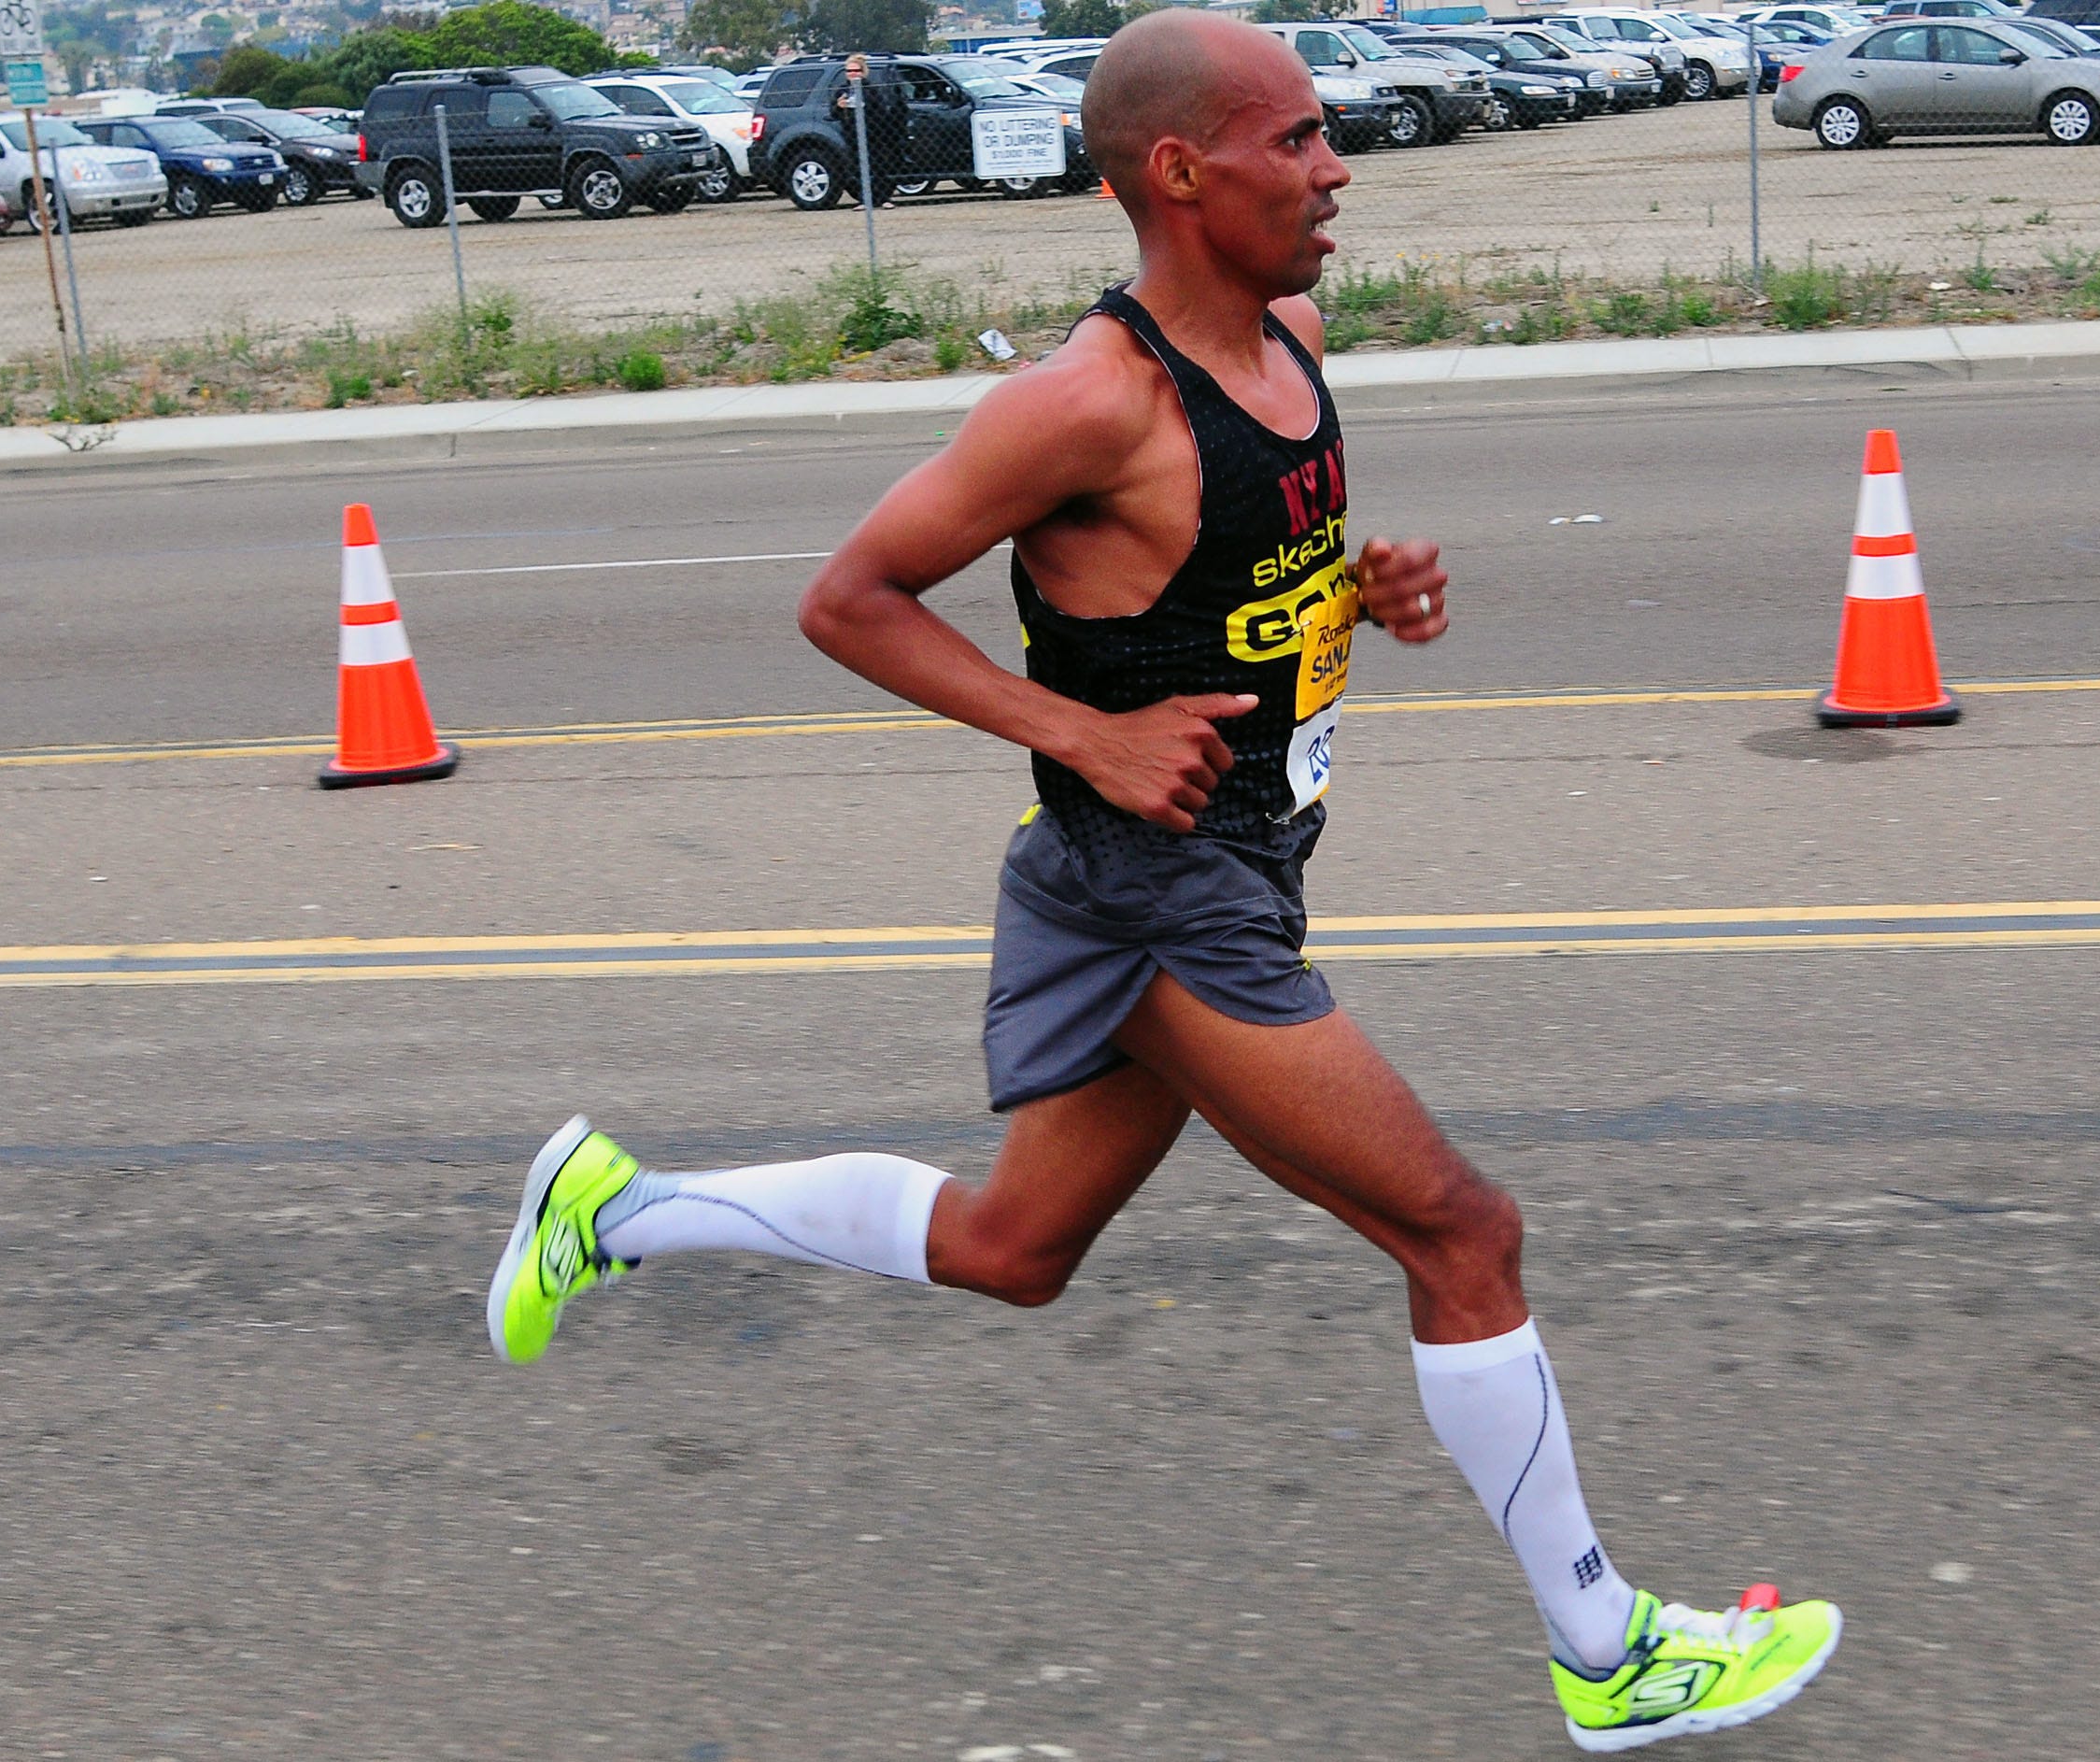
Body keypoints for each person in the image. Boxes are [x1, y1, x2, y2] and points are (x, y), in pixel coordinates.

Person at [484, 11, 1839, 1751]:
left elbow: (1217, 585)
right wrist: (1083, 731)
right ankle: (1611, 1650)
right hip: (1156, 891)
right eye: (1297, 139)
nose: (1337, 168)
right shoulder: (1084, 404)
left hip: (1233, 865)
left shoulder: (1290, 336)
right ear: (1184, 172)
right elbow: (848, 600)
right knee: (1463, 1232)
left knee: (1014, 1247)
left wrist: (1359, 595)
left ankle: (614, 1209)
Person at [831, 51, 911, 206]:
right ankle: (864, 200)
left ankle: (883, 199)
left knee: (879, 167)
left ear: (863, 72)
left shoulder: (871, 89)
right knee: (858, 169)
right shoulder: (842, 91)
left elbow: (881, 112)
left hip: (873, 135)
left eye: (856, 70)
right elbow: (833, 114)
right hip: (852, 136)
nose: (853, 74)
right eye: (849, 71)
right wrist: (839, 106)